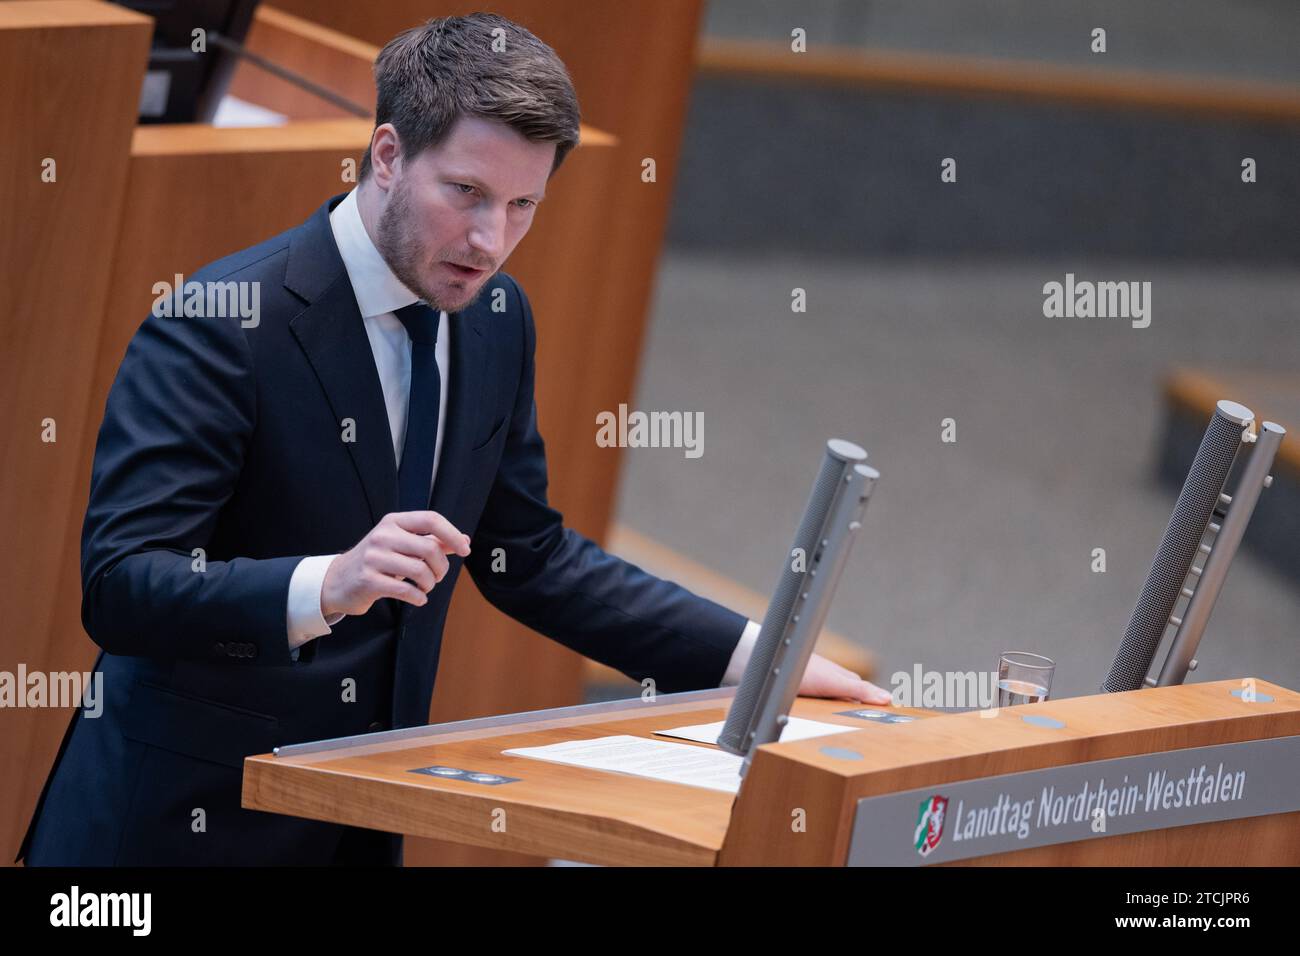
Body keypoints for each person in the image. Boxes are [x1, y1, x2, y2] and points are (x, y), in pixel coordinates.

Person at [19, 12, 889, 867]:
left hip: (360, 813)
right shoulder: (221, 323)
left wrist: (757, 656)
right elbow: (124, 585)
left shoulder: (495, 319)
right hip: (177, 828)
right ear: (389, 155)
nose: (490, 241)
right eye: (466, 193)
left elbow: (528, 556)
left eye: (522, 205)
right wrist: (328, 584)